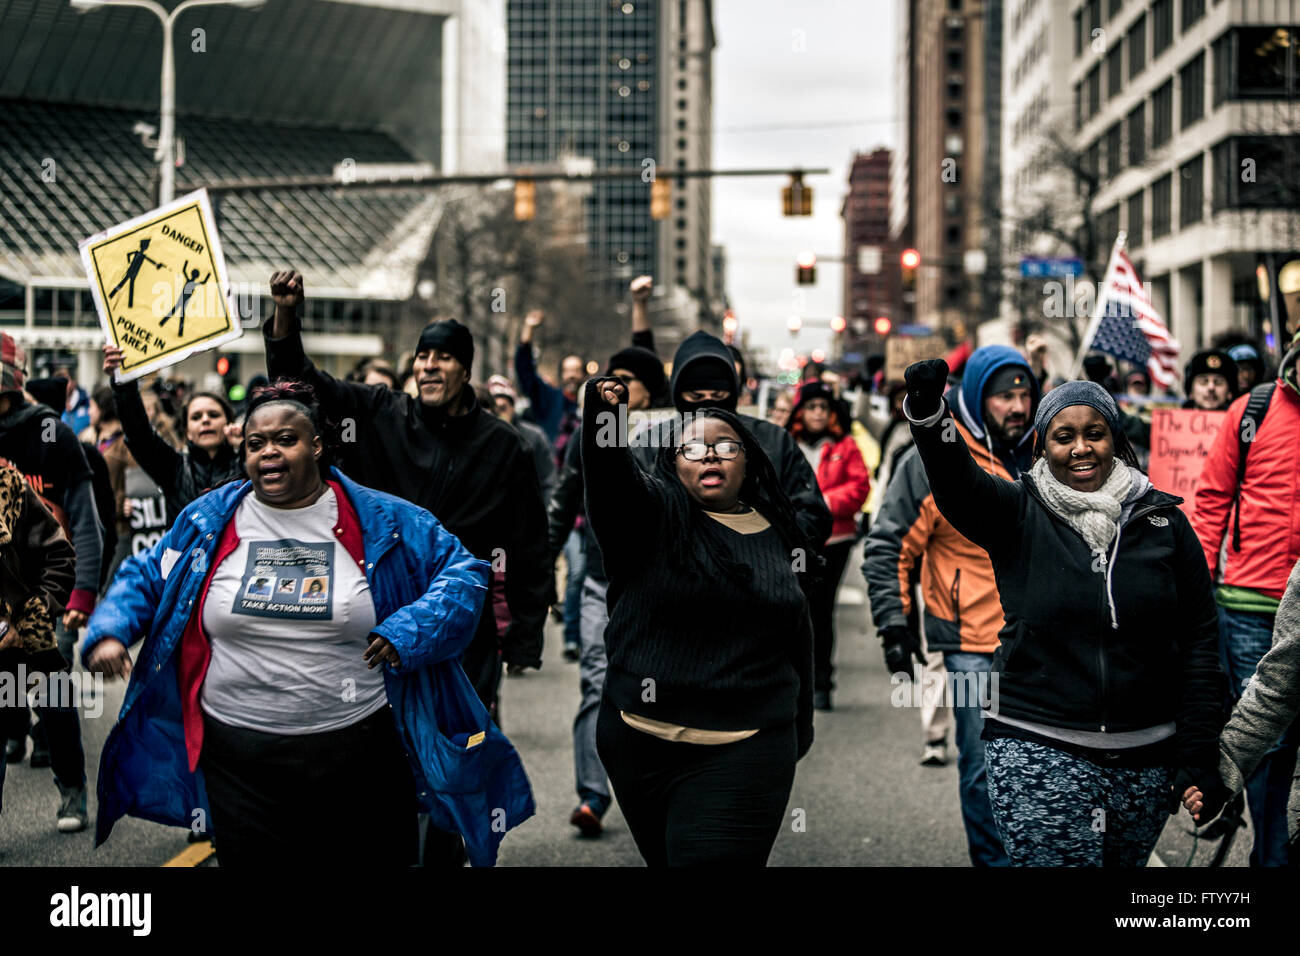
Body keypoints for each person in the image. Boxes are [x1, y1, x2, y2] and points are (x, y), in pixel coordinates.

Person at [83, 382, 534, 866]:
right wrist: (109, 629)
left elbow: (464, 574)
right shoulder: (208, 519)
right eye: (255, 444)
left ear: (317, 445)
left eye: (285, 440)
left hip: (359, 755)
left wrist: (409, 631)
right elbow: (150, 571)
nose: (268, 453)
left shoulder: (383, 518)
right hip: (238, 759)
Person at [902, 361, 1224, 866]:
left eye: (1094, 434)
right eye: (1063, 436)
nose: (1080, 448)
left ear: (1116, 441)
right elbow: (958, 484)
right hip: (1037, 743)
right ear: (1042, 447)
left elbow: (1202, 640)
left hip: (1147, 756)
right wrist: (929, 414)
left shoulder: (1164, 522)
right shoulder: (1019, 511)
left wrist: (1201, 753)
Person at [262, 270, 548, 723]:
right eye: (423, 356)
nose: (429, 365)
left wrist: (524, 637)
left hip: (461, 623)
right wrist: (285, 312)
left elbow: (530, 545)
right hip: (379, 611)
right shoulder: (380, 412)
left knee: (458, 744)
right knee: (382, 741)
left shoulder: (505, 447)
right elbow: (299, 383)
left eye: (444, 357)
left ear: (466, 371)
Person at [582, 375, 814, 866]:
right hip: (637, 744)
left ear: (747, 461)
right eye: (692, 448)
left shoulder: (778, 532)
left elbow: (797, 636)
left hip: (744, 751)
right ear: (671, 465)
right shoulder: (651, 518)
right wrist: (603, 417)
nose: (710, 455)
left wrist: (802, 721)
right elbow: (609, 482)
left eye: (725, 446)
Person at [863, 345, 1040, 867]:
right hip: (969, 644)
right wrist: (893, 625)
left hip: (1040, 642)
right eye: (1004, 394)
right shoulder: (935, 458)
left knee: (1043, 767)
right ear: (976, 397)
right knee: (985, 767)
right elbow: (888, 543)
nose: (1017, 405)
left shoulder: (1047, 449)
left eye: (1025, 392)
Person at [1191, 332, 1300, 866]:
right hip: (1250, 604)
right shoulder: (1251, 411)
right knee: (1270, 740)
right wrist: (1199, 585)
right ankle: (1273, 857)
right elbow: (1211, 499)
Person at [547, 343, 665, 836]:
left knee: (657, 694)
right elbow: (564, 498)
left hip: (660, 591)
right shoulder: (590, 435)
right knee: (597, 683)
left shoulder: (674, 435)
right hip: (600, 581)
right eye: (608, 378)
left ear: (648, 391)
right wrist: (542, 568)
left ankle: (659, 792)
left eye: (627, 380)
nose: (615, 387)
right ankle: (593, 795)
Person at [0, 336, 102, 833]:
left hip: (49, 589)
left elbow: (84, 523)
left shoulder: (51, 433)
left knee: (53, 693)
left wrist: (79, 595)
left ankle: (72, 790)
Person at [631, 330, 832, 549]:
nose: (707, 404)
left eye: (718, 397)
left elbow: (813, 517)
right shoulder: (651, 442)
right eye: (696, 397)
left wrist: (766, 544)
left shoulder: (773, 440)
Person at [1181, 557, 1300, 859]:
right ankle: (1274, 855)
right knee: (1275, 753)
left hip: (1260, 591)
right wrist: (1222, 772)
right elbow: (1277, 688)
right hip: (1250, 592)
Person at [786, 381, 869, 711]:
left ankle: (822, 683)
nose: (818, 413)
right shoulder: (786, 443)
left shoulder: (845, 446)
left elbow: (860, 487)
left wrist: (821, 504)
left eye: (824, 407)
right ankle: (794, 681)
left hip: (835, 540)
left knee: (821, 609)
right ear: (800, 411)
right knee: (795, 607)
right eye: (812, 407)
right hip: (793, 540)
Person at [0, 461, 76, 819]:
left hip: (32, 630)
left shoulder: (9, 484)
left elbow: (59, 552)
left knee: (57, 707)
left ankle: (72, 789)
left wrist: (40, 609)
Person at [103, 345, 243, 524]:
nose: (205, 420)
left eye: (214, 415)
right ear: (187, 432)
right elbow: (139, 435)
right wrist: (123, 381)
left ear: (228, 423)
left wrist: (245, 448)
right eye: (196, 417)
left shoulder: (246, 466)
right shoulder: (174, 469)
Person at [487, 375, 556, 501]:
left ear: (513, 407)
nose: (499, 415)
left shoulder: (534, 437)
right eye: (494, 409)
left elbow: (548, 481)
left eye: (503, 408)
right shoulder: (482, 438)